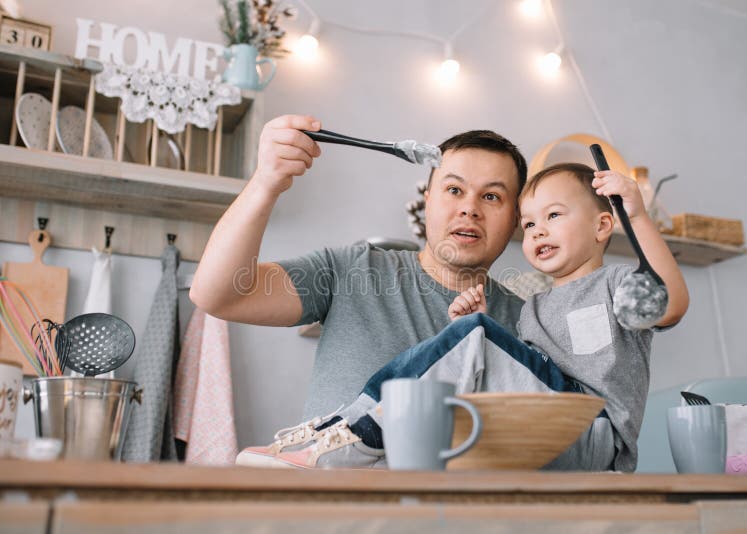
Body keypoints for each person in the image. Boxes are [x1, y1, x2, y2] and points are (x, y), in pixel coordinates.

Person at [236, 162, 688, 472]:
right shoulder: (532, 308)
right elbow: (525, 380)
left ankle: (347, 438)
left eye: (553, 215)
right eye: (529, 225)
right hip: (540, 431)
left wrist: (638, 216)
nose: (538, 231)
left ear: (602, 226)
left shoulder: (616, 284)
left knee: (470, 336)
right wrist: (486, 333)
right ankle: (339, 433)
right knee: (466, 342)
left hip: (592, 432)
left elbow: (668, 304)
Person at [189, 115, 528, 436]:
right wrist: (265, 183)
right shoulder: (351, 270)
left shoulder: (529, 325)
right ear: (427, 202)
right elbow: (218, 295)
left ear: (515, 220)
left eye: (491, 196)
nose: (469, 208)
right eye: (454, 190)